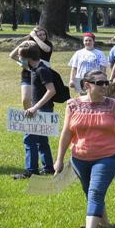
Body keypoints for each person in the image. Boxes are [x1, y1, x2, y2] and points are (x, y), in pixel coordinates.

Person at [53, 68, 115, 228]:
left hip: (107, 156)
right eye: (99, 83)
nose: (105, 86)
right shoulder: (72, 104)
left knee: (95, 191)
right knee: (90, 191)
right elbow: (67, 133)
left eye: (106, 82)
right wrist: (59, 159)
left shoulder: (114, 105)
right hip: (79, 158)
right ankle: (105, 224)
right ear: (87, 85)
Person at [15, 43, 68, 179]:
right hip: (41, 109)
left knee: (29, 140)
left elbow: (51, 91)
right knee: (41, 140)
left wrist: (34, 108)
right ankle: (48, 167)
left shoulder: (41, 70)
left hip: (41, 109)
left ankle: (31, 170)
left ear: (28, 57)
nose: (19, 58)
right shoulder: (32, 67)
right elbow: (13, 55)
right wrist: (25, 42)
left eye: (21, 56)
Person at [67, 31, 111, 96]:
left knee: (94, 97)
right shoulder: (78, 53)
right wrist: (71, 80)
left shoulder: (100, 53)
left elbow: (103, 69)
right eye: (86, 40)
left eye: (90, 40)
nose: (88, 42)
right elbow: (74, 68)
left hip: (95, 80)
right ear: (83, 42)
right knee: (82, 99)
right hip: (80, 79)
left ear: (93, 41)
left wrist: (102, 80)